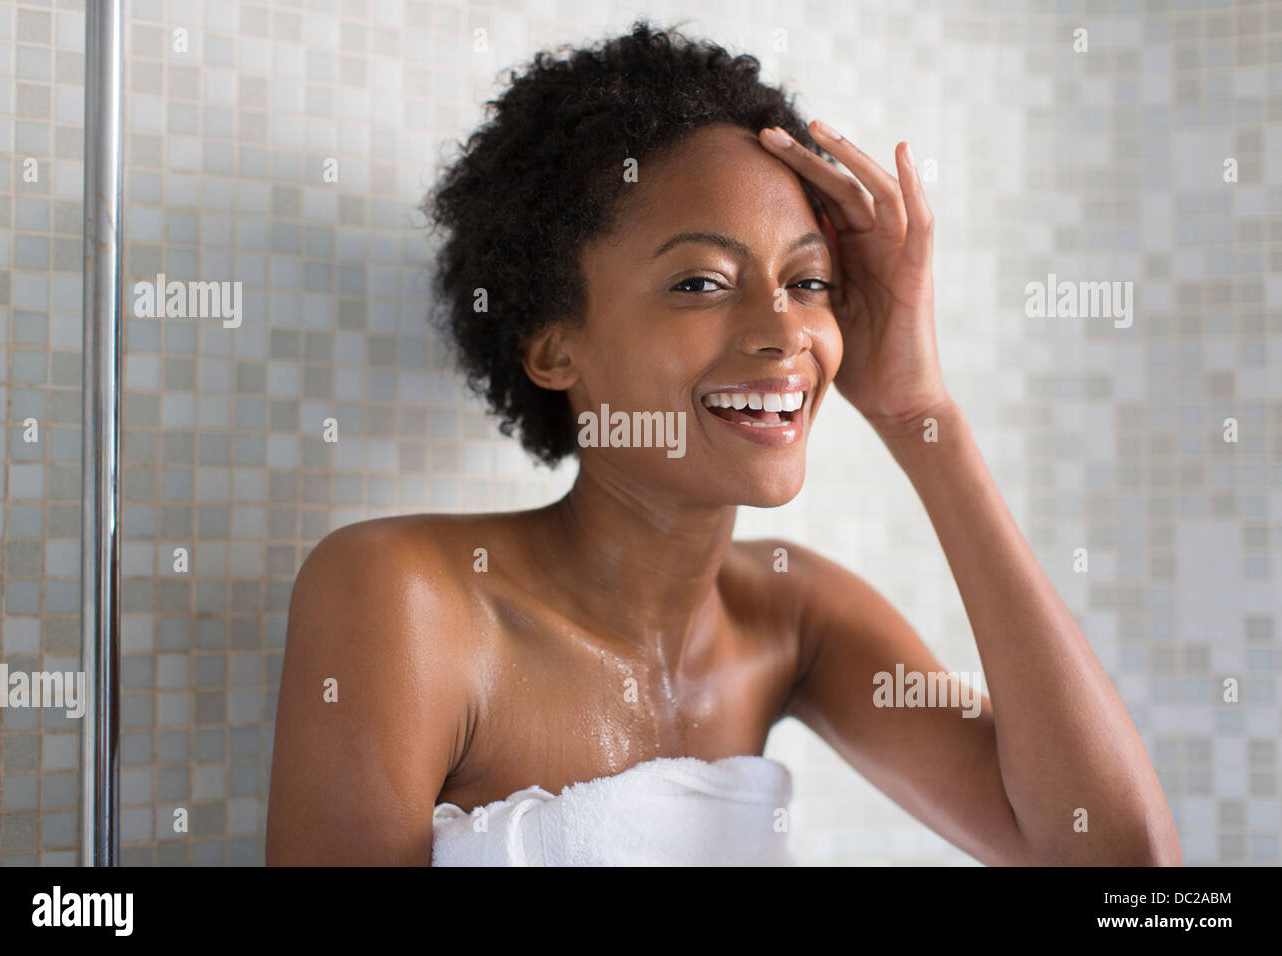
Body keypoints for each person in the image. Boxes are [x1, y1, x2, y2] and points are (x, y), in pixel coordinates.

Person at [265, 20, 1181, 866]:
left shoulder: (795, 616)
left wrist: (919, 415)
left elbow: (1121, 867)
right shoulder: (406, 598)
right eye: (702, 283)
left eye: (810, 282)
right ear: (553, 347)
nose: (783, 333)